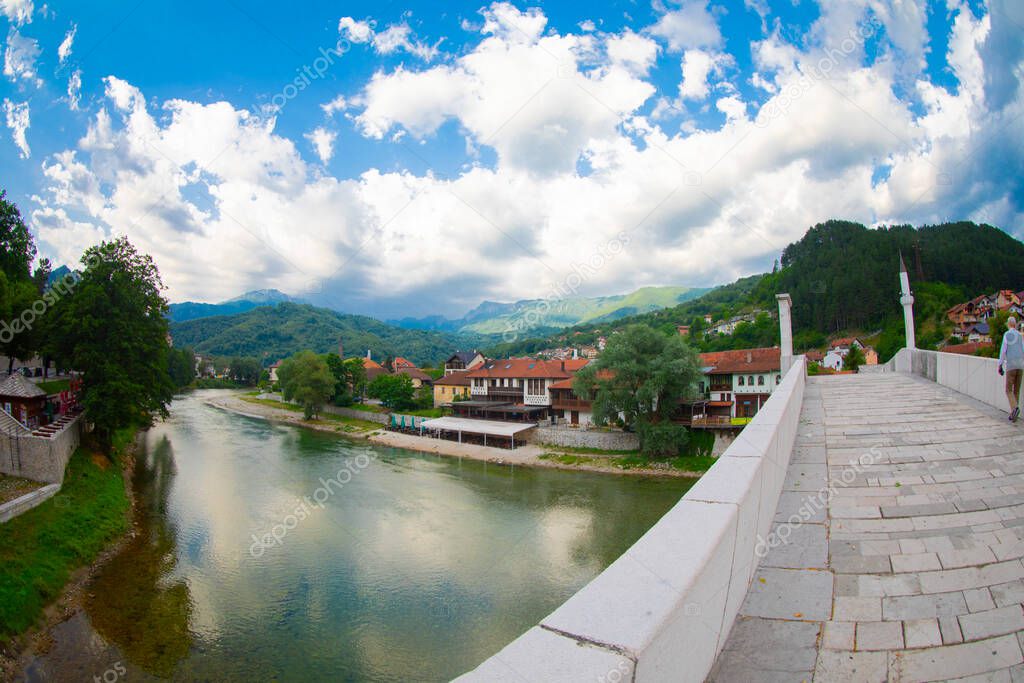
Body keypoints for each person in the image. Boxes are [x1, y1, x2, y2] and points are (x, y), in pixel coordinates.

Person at [999, 315, 1024, 422]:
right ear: (1015, 324)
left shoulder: (1007, 334)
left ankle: (1015, 408)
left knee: (1008, 390)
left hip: (1011, 366)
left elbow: (1003, 351)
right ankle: (1014, 416)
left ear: (1009, 324)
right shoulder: (1020, 335)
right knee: (1016, 391)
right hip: (1020, 365)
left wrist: (1000, 365)